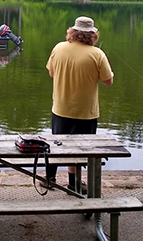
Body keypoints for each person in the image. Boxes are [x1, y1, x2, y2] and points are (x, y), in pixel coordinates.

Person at [45, 16, 113, 192]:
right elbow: (108, 82)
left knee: (57, 144)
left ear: (72, 32)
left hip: (60, 108)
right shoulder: (97, 54)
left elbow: (51, 73)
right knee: (79, 150)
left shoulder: (58, 48)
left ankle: (49, 178)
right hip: (85, 112)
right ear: (92, 35)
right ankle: (74, 183)